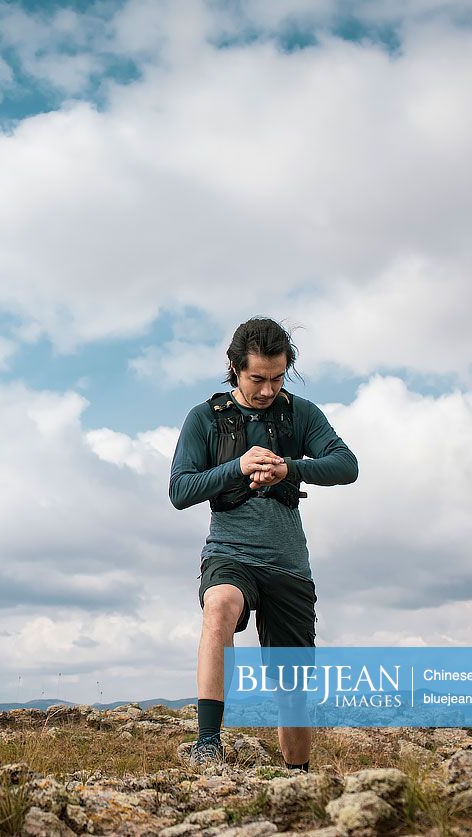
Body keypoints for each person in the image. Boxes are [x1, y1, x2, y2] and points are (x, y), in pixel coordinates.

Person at [169, 317, 358, 771]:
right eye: (258, 378)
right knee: (219, 606)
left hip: (290, 565)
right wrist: (238, 467)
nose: (268, 389)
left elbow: (346, 464)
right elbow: (180, 490)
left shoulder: (301, 413)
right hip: (229, 553)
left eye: (277, 378)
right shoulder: (205, 419)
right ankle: (208, 741)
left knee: (292, 692)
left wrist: (290, 469)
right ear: (234, 367)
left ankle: (298, 777)